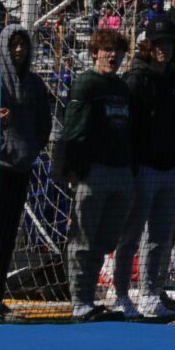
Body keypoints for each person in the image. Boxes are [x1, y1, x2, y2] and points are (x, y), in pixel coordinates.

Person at [51, 29, 133, 321]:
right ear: (95, 52)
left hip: (120, 173)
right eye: (107, 50)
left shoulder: (122, 89)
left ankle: (88, 298)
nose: (113, 55)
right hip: (94, 173)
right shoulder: (86, 84)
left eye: (118, 51)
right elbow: (73, 130)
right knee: (83, 240)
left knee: (104, 240)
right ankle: (80, 301)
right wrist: (72, 170)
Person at [114, 19, 175, 318]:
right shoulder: (137, 80)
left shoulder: (173, 78)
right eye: (158, 44)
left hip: (171, 168)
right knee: (131, 236)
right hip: (144, 168)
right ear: (148, 46)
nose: (163, 50)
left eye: (168, 44)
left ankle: (149, 292)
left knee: (160, 237)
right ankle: (120, 292)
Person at [0, 24, 53, 314]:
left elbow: (45, 123)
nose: (19, 50)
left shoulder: (35, 84)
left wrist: (32, 149)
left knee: (7, 236)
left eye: (23, 44)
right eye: (14, 44)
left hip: (21, 168)